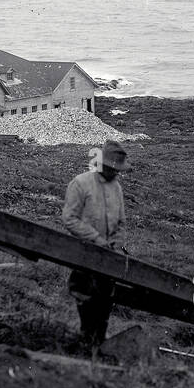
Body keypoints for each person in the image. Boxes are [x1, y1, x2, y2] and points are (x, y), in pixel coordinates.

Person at [61, 140, 128, 350]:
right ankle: (86, 342)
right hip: (85, 253)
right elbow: (70, 219)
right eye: (112, 169)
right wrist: (96, 239)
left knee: (105, 301)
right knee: (86, 297)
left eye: (118, 170)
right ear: (102, 164)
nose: (115, 173)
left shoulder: (116, 187)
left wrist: (116, 242)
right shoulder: (81, 184)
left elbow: (121, 222)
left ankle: (99, 343)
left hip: (108, 258)